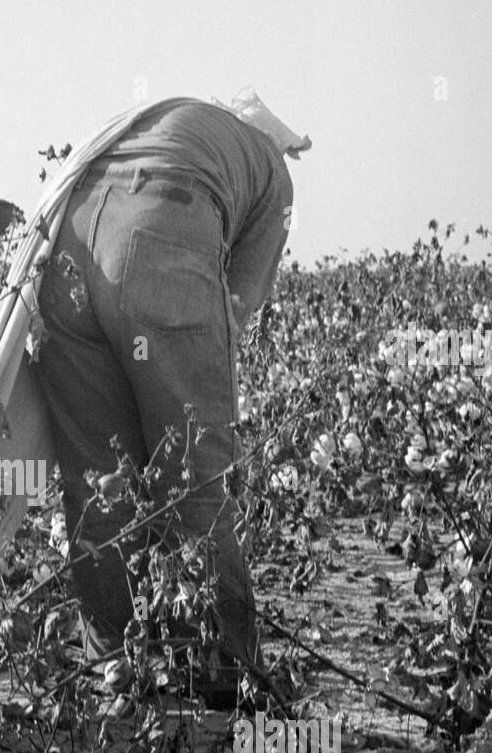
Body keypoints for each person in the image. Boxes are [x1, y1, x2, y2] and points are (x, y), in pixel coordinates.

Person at [31, 94, 307, 703]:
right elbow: (236, 305)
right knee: (198, 472)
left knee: (97, 481)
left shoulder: (168, 126)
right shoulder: (273, 172)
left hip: (65, 251)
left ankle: (113, 671)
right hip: (155, 244)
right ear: (277, 138)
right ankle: (227, 681)